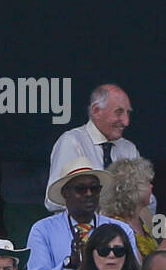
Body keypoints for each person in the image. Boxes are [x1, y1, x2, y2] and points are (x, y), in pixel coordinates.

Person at [45, 84, 145, 213]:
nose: (126, 121)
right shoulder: (72, 142)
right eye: (119, 112)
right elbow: (53, 202)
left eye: (128, 113)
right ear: (96, 110)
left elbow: (145, 199)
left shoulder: (128, 148)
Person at [99, 157, 166, 260]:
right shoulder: (114, 226)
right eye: (148, 182)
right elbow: (146, 269)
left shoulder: (144, 215)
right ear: (132, 188)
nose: (152, 187)